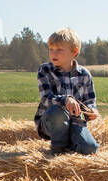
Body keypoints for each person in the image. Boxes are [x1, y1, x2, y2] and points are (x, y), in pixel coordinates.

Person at [35, 27, 99, 155]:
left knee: (90, 148)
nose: (53, 53)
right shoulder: (45, 70)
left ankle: (71, 141)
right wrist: (65, 100)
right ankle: (58, 150)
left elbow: (90, 101)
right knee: (58, 112)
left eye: (59, 50)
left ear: (74, 52)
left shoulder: (84, 75)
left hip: (75, 122)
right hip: (50, 121)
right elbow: (46, 98)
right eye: (51, 49)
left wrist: (92, 111)